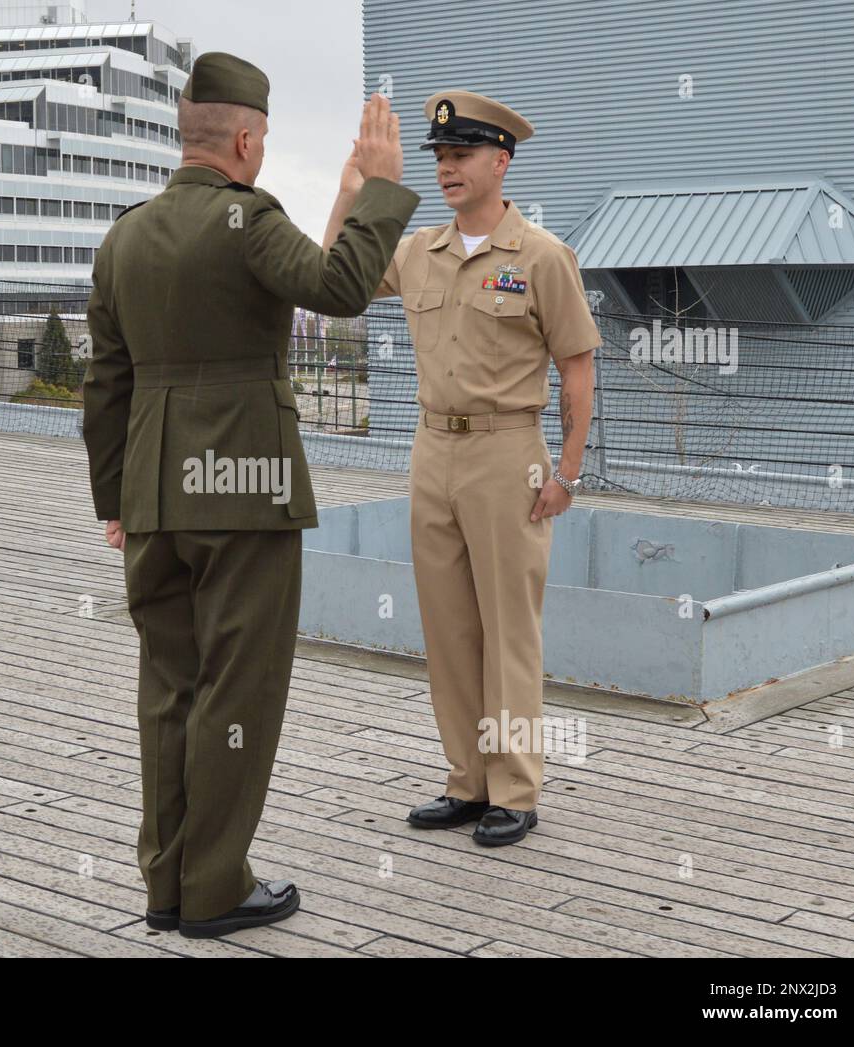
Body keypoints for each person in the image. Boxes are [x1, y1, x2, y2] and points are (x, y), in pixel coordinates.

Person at [82, 52, 419, 938]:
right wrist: (381, 189)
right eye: (262, 137)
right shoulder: (248, 218)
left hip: (156, 494)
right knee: (239, 690)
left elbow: (104, 386)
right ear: (244, 137)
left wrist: (114, 497)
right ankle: (216, 887)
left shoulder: (124, 237)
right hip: (245, 491)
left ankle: (166, 882)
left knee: (170, 687)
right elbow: (339, 288)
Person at [325, 90, 598, 846]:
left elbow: (577, 366)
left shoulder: (542, 257)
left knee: (509, 627)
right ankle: (466, 781)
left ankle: (515, 787)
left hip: (508, 451)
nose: (446, 168)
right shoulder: (418, 250)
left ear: (500, 162)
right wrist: (350, 193)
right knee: (447, 626)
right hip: (431, 451)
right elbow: (336, 281)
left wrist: (566, 471)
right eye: (439, 157)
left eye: (461, 155)